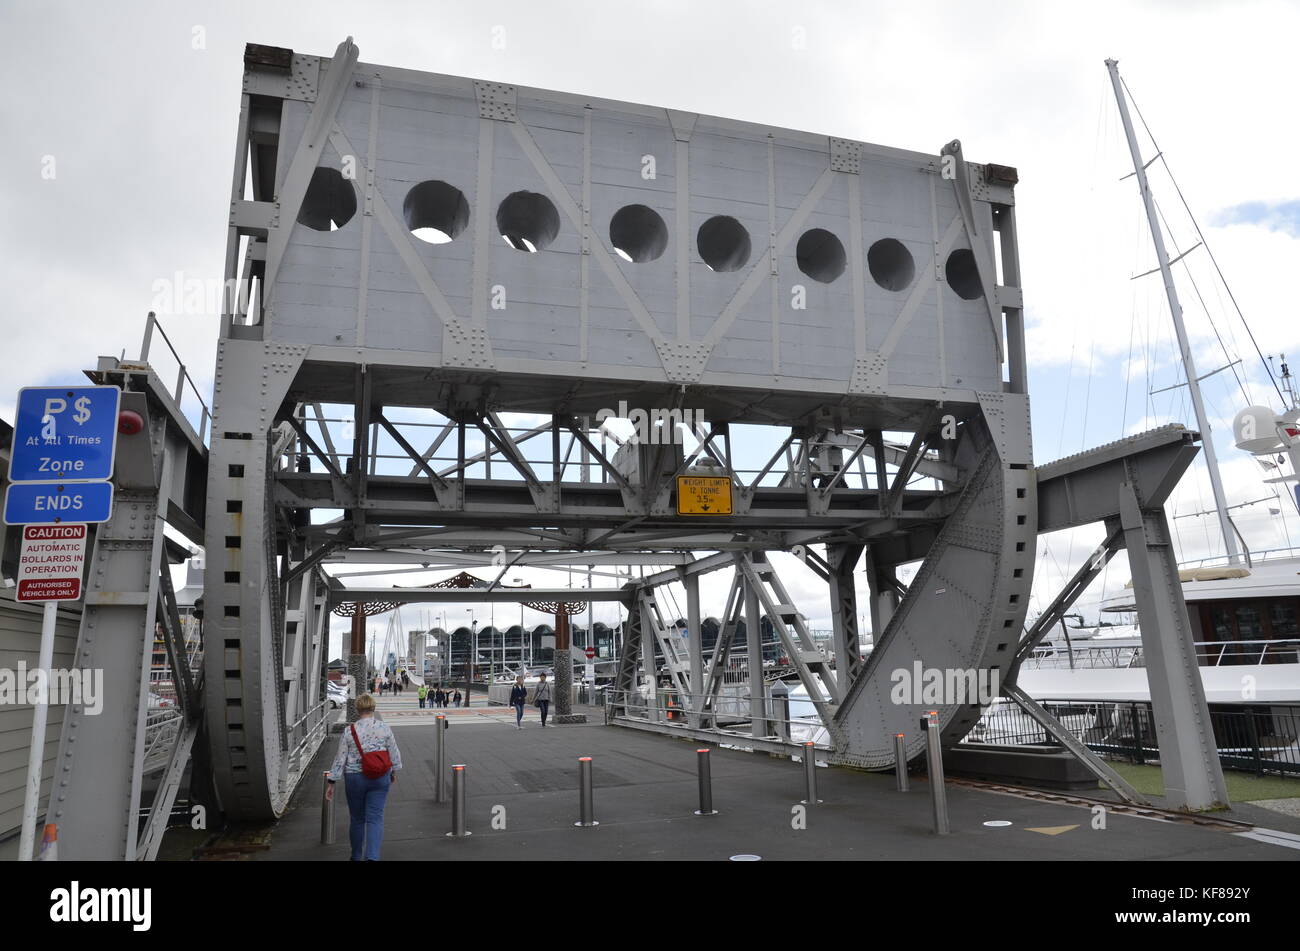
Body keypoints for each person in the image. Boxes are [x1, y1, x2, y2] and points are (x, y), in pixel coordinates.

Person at [326, 694, 402, 861]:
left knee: (357, 819)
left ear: (358, 709)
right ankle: (372, 857)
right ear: (373, 708)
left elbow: (340, 758)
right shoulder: (384, 728)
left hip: (354, 778)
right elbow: (394, 753)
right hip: (380, 777)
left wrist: (332, 781)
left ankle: (355, 856)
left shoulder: (349, 731)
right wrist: (393, 772)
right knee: (375, 818)